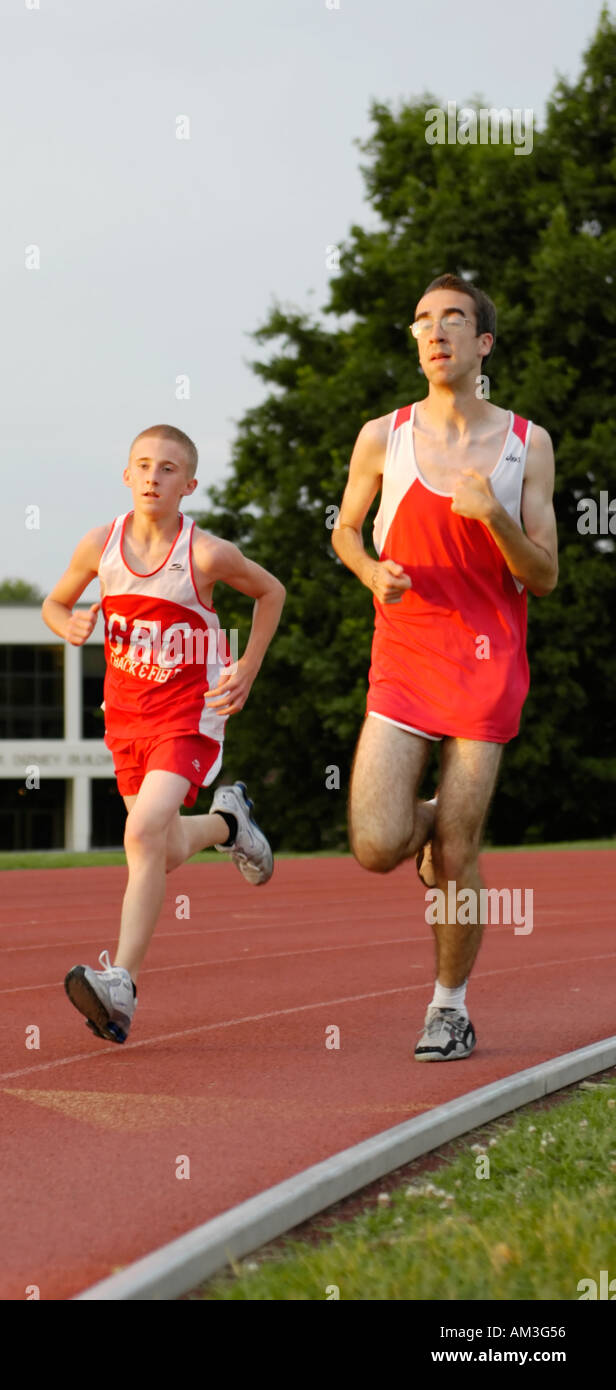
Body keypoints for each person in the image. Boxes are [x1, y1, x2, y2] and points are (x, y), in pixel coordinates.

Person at [332, 273, 558, 1061]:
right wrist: (368, 572)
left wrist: (495, 515)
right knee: (375, 844)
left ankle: (449, 1010)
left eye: (454, 320)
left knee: (457, 851)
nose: (435, 333)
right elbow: (347, 531)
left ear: (483, 344)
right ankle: (429, 829)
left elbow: (545, 576)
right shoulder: (381, 437)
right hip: (404, 658)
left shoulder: (528, 444)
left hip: (487, 669)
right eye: (423, 321)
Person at [41, 424, 285, 1043]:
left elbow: (271, 591)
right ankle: (232, 824)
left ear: (189, 485)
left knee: (141, 832)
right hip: (126, 719)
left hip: (188, 715)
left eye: (168, 468)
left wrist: (247, 668)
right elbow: (54, 601)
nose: (154, 476)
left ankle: (120, 983)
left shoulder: (205, 555)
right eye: (143, 466)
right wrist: (65, 623)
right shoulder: (100, 545)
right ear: (127, 476)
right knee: (164, 848)